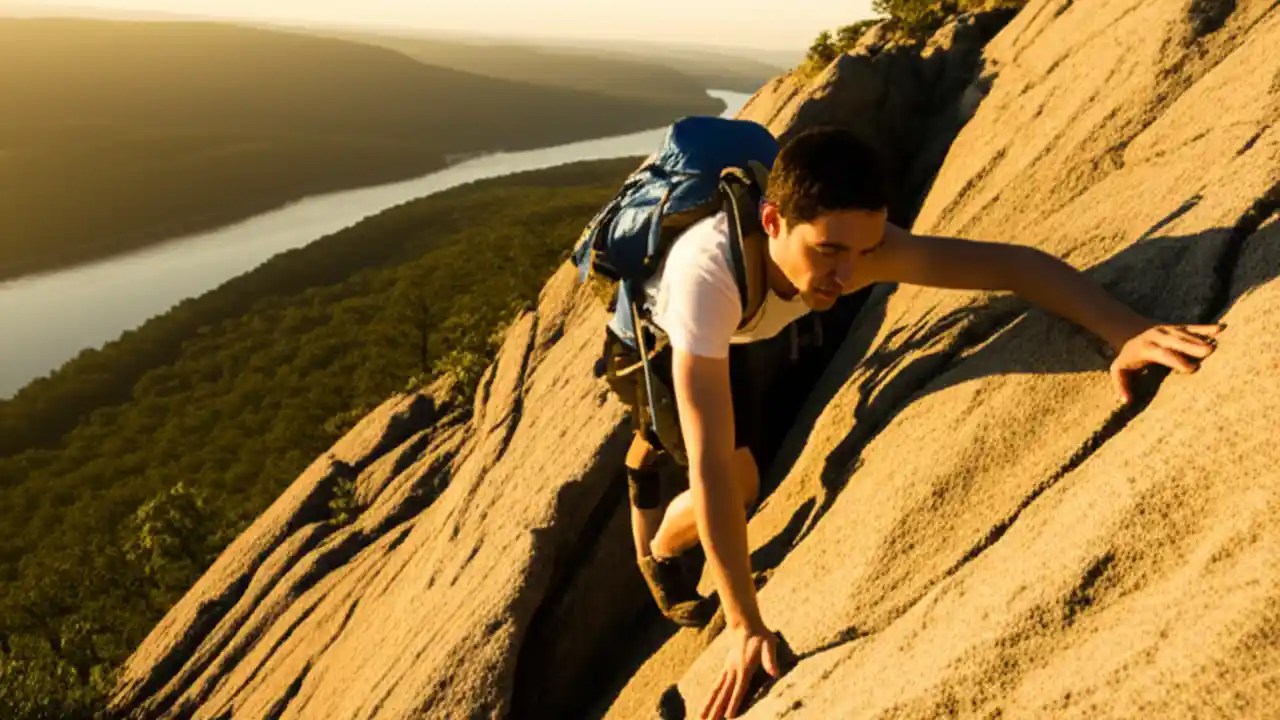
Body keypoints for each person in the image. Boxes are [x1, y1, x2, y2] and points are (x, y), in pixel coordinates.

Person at [620, 126, 1222, 720]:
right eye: (829, 251)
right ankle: (659, 553)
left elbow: (1013, 267)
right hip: (655, 342)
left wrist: (1128, 332)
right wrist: (744, 625)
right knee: (736, 482)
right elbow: (710, 466)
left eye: (865, 249)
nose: (847, 276)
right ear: (772, 221)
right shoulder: (704, 280)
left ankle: (651, 462)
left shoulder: (856, 251)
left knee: (736, 463)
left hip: (745, 325)